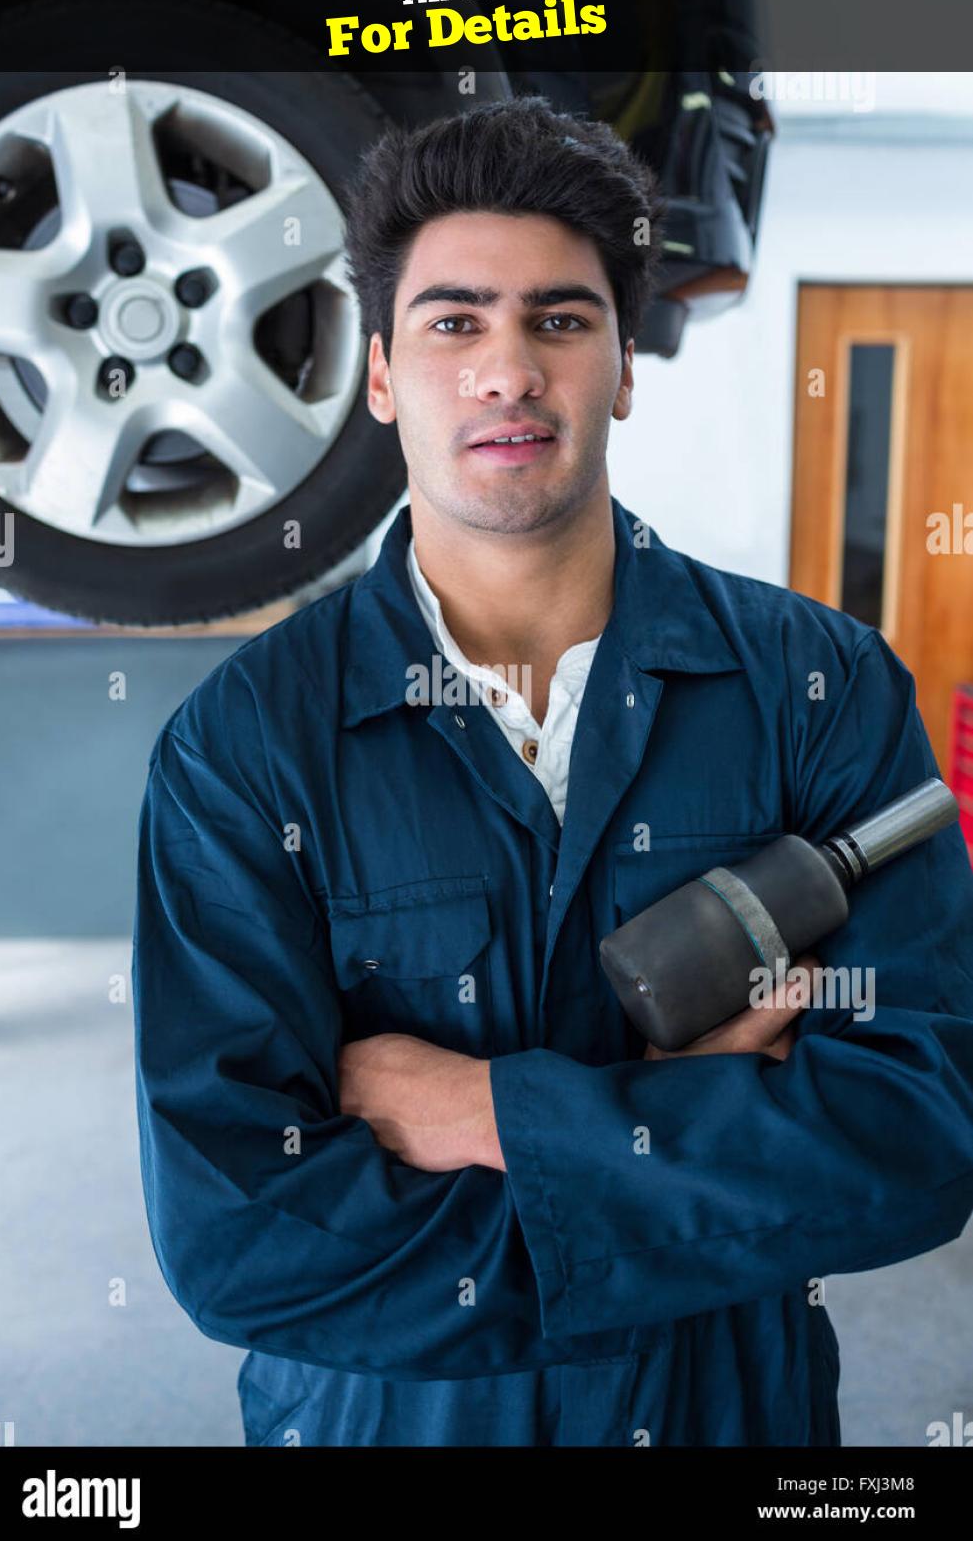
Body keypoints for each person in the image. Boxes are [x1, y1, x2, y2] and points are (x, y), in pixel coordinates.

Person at [131, 95, 973, 1448]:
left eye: (559, 321)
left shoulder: (819, 689)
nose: (507, 369)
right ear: (385, 378)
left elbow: (918, 1141)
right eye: (454, 321)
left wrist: (482, 1112)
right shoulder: (246, 749)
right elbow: (243, 1239)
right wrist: (700, 1152)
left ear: (623, 367)